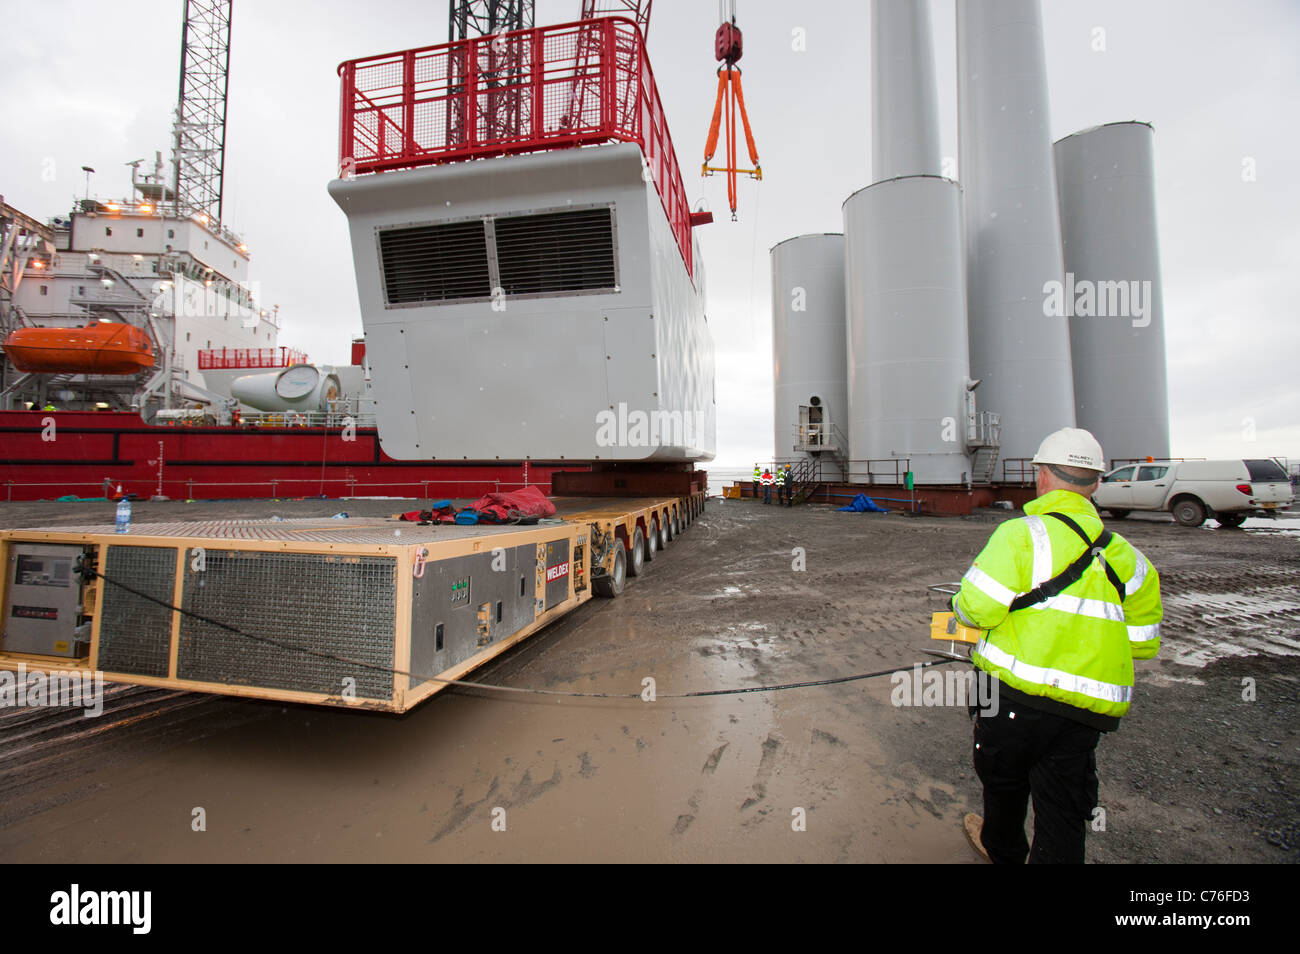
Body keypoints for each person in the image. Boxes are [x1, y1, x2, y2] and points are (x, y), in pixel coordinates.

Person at [952, 427, 1162, 864]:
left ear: (1042, 476)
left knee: (1003, 783)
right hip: (1083, 712)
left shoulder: (1020, 535)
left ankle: (1002, 850)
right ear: (1097, 483)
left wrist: (960, 605)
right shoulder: (1133, 561)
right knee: (1063, 809)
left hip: (1008, 695)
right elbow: (1142, 645)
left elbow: (976, 610)